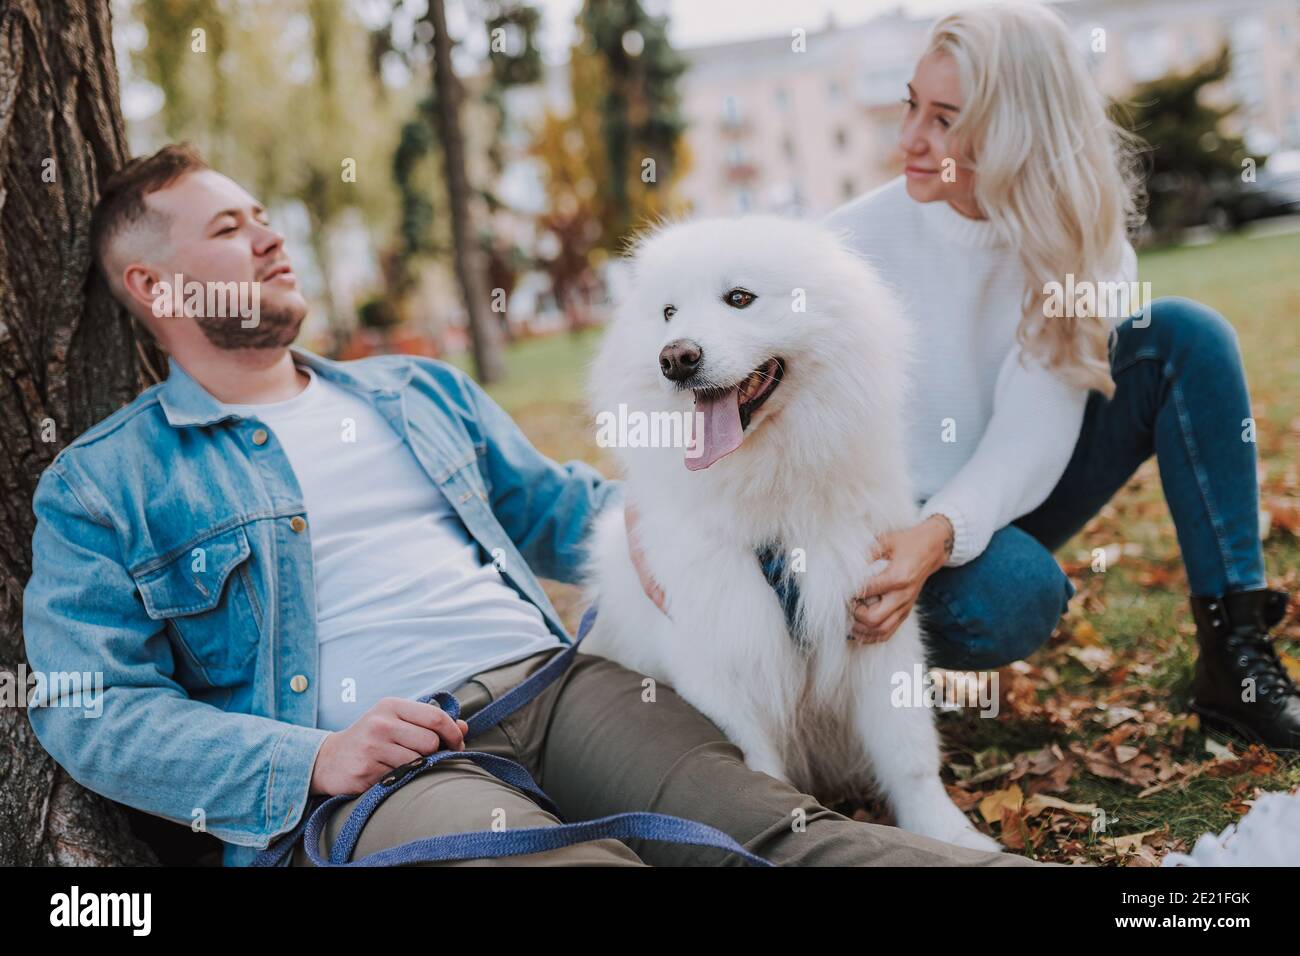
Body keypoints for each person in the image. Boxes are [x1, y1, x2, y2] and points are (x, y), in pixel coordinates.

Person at [21, 143, 1034, 867]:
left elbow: (571, 507)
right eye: (231, 228)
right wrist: (312, 755)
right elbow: (91, 710)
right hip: (394, 767)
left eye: (267, 216)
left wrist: (673, 514)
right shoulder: (102, 483)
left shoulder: (415, 392)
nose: (273, 238)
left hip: (563, 689)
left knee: (771, 832)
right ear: (155, 285)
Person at [632, 2, 1296, 750]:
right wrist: (649, 501)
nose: (911, 137)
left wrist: (940, 534)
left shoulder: (1084, 244)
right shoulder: (843, 247)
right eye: (913, 104)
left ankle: (1235, 657)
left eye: (945, 119)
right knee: (1014, 598)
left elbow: (1033, 433)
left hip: (991, 498)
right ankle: (872, 672)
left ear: (1017, 131)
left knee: (1185, 337)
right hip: (866, 526)